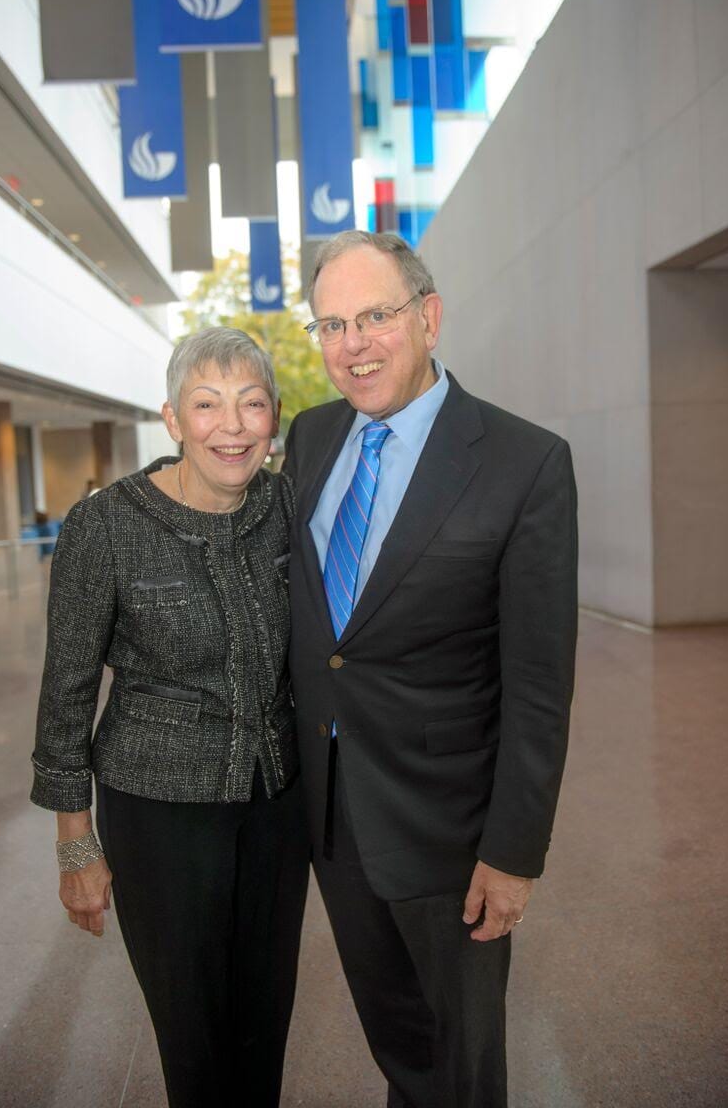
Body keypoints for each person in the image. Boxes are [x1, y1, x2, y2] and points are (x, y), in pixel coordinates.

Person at [283, 231, 578, 1108]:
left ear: (429, 318)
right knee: (397, 1045)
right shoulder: (309, 437)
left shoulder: (525, 463)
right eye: (330, 325)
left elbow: (536, 685)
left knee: (462, 1065)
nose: (352, 345)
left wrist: (513, 853)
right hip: (332, 815)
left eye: (374, 316)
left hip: (452, 834)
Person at [31, 327, 309, 1108]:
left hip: (275, 808)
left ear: (274, 416)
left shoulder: (286, 503)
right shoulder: (105, 527)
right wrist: (74, 846)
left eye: (251, 404)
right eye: (208, 404)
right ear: (172, 419)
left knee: (265, 1017)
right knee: (193, 1033)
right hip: (159, 815)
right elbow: (66, 697)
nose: (232, 424)